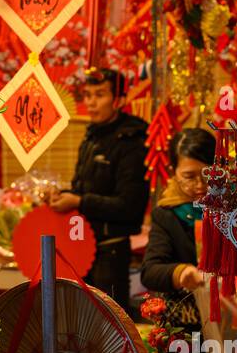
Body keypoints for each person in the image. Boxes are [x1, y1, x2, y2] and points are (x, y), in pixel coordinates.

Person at [48, 67, 149, 315]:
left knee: (110, 326)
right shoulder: (92, 135)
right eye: (88, 95)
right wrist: (62, 195)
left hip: (111, 252)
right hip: (84, 245)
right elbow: (81, 188)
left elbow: (129, 205)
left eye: (100, 94)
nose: (91, 103)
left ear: (119, 99)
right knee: (82, 324)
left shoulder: (132, 141)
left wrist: (79, 201)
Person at [140, 128, 217, 333]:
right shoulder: (167, 215)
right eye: (189, 176)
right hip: (187, 324)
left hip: (230, 323)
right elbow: (150, 271)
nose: (200, 185)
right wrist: (181, 272)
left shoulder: (231, 209)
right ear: (174, 171)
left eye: (207, 174)